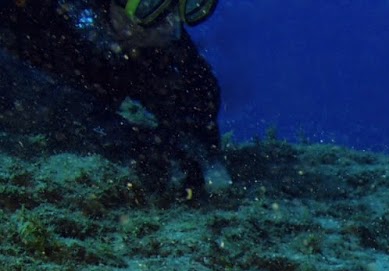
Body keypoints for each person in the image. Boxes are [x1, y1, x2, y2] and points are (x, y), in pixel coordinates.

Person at [0, 0, 229, 195]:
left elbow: (196, 93)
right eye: (151, 2)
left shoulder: (148, 35)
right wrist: (126, 143)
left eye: (190, 4)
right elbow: (37, 105)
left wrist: (194, 145)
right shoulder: (32, 18)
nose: (170, 25)